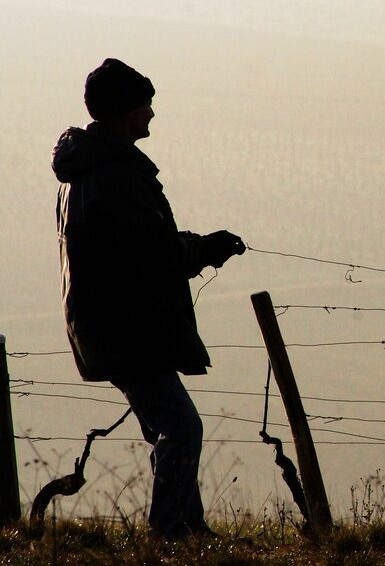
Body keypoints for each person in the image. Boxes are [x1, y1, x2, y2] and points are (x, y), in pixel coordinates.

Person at [52, 58, 245, 540]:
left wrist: (196, 244)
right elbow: (154, 254)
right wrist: (207, 249)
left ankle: (186, 526)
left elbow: (138, 240)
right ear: (126, 111)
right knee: (181, 426)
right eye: (146, 105)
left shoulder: (89, 169)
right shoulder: (116, 174)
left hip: (107, 323)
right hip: (125, 326)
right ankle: (174, 530)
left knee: (168, 424)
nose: (152, 114)